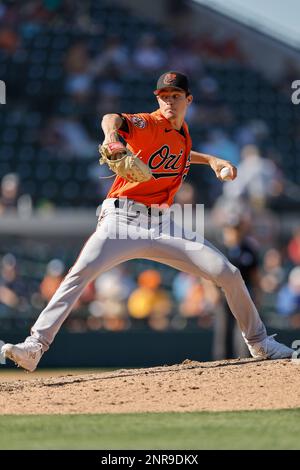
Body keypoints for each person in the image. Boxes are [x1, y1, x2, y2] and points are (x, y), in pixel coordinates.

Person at [1, 71, 293, 371]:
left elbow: (181, 153)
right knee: (79, 274)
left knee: (227, 273)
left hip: (163, 223)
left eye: (175, 96)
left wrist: (212, 160)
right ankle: (35, 346)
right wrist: (112, 138)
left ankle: (259, 344)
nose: (168, 102)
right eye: (163, 97)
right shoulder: (149, 122)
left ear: (188, 100)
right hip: (121, 219)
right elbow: (111, 117)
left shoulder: (182, 134)